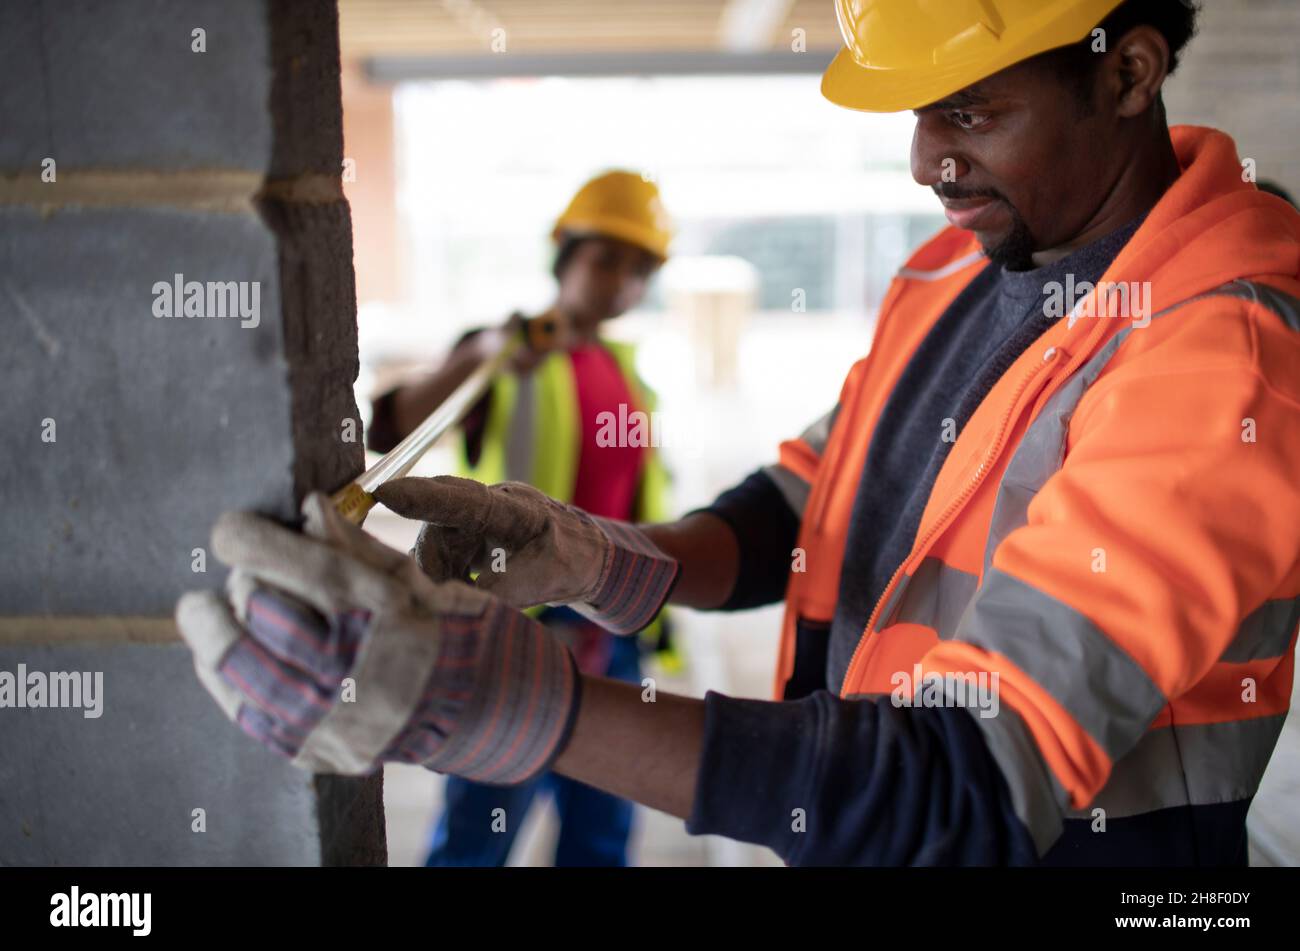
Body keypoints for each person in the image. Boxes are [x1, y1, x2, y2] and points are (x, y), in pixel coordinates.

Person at [178, 0, 1300, 866]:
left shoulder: (1224, 358)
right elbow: (809, 504)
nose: (924, 161)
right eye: (919, 113)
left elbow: (969, 782)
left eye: (970, 110)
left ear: (1126, 72)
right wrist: (611, 557)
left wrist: (512, 705)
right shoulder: (961, 266)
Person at [366, 171, 676, 866]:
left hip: (611, 629)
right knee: (483, 827)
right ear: (564, 257)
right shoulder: (509, 351)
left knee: (600, 832)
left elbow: (634, 500)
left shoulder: (626, 372)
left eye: (636, 270)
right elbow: (395, 425)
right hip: (515, 626)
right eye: (604, 260)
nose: (618, 283)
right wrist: (485, 352)